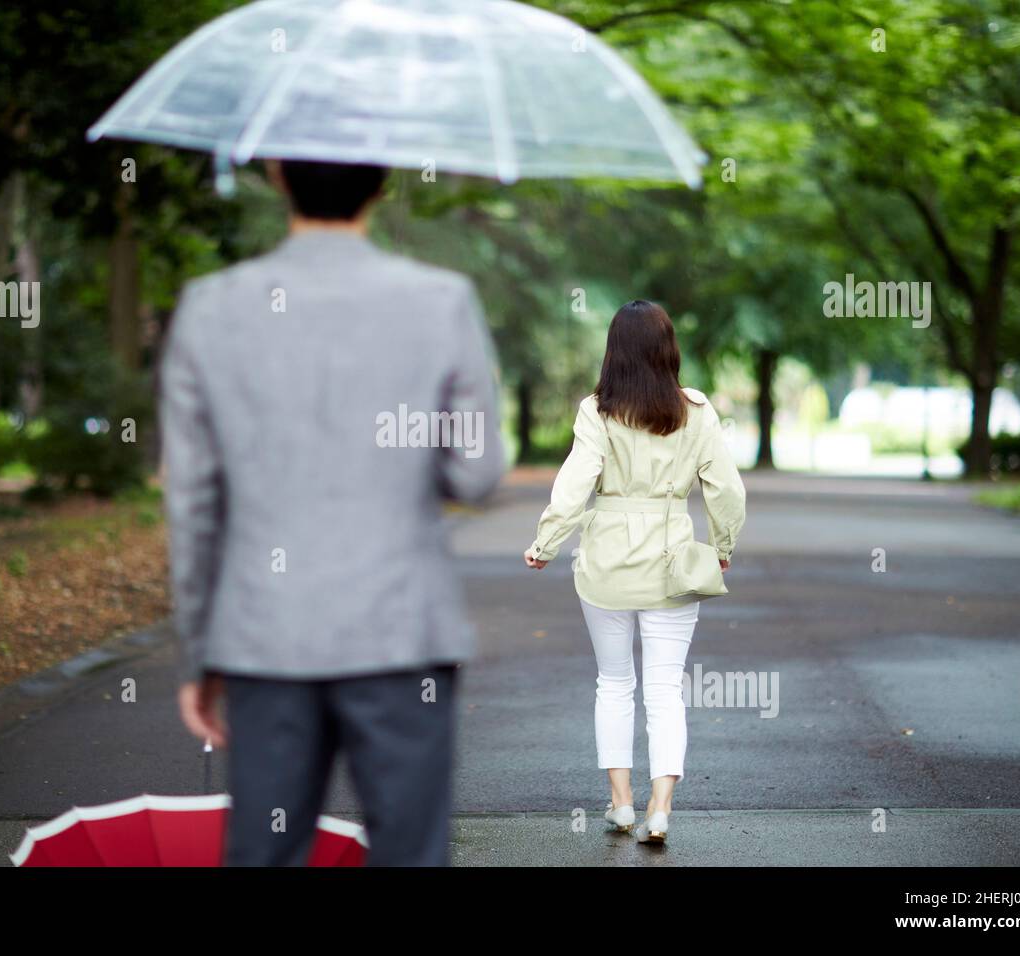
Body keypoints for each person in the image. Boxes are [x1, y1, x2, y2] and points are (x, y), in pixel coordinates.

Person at [162, 158, 506, 866]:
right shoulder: (440, 300)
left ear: (276, 174)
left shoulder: (210, 306)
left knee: (266, 852)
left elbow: (192, 500)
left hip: (264, 634)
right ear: (382, 184)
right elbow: (477, 476)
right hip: (401, 629)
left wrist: (201, 651)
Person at [523, 299, 745, 846]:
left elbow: (576, 483)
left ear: (614, 350)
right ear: (669, 349)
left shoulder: (597, 410)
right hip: (673, 562)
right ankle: (660, 808)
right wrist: (721, 546)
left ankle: (621, 803)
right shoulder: (696, 411)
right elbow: (728, 491)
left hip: (606, 565)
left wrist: (546, 541)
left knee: (614, 682)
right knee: (667, 688)